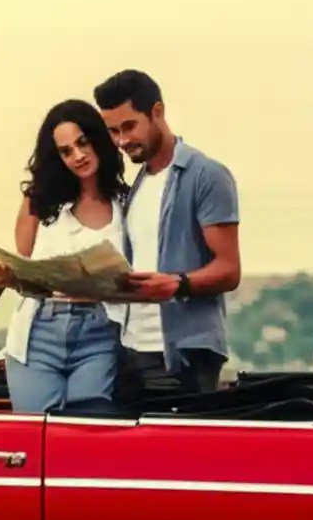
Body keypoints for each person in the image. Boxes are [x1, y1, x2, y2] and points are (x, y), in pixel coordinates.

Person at [93, 69, 241, 399]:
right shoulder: (139, 184)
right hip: (131, 351)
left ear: (157, 112)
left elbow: (229, 269)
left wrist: (177, 284)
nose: (121, 140)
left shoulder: (207, 175)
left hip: (182, 355)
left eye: (129, 126)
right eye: (113, 131)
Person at [0, 99, 131, 413]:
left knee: (83, 437)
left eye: (83, 143)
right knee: (36, 438)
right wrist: (6, 276)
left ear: (98, 139)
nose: (78, 156)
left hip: (100, 332)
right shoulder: (39, 200)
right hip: (39, 331)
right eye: (66, 151)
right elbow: (23, 264)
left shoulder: (125, 202)